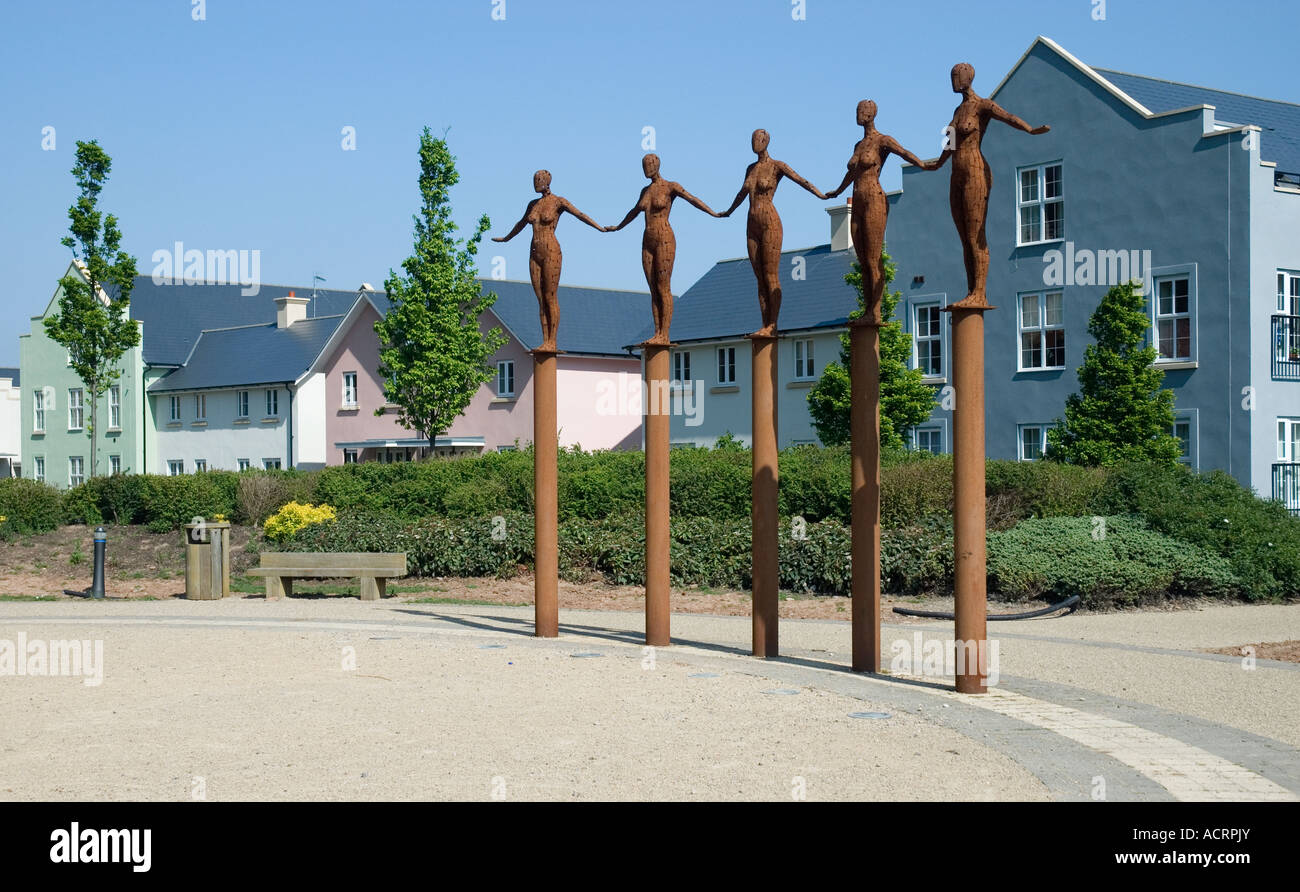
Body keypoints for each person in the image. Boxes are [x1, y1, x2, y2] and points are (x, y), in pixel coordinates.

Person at [925, 63, 1050, 308]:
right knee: (964, 238)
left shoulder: (982, 105)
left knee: (975, 235)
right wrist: (937, 164)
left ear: (969, 77)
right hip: (956, 174)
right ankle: (970, 290)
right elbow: (950, 143)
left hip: (975, 172)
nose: (953, 80)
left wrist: (1030, 130)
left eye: (957, 75)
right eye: (951, 76)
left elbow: (1008, 117)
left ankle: (979, 292)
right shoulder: (958, 110)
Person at [823, 101, 931, 324]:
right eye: (857, 111)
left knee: (873, 259)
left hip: (874, 200)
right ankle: (867, 309)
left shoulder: (883, 140)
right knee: (862, 260)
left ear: (872, 114)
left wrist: (924, 164)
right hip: (859, 202)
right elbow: (852, 174)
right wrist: (837, 191)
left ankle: (876, 310)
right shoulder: (858, 145)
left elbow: (904, 152)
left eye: (863, 111)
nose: (858, 114)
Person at [718, 129, 826, 336]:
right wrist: (728, 212)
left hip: (770, 222)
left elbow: (800, 180)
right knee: (759, 277)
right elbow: (741, 194)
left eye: (758, 139)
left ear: (767, 141)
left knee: (770, 275)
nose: (755, 143)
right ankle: (764, 323)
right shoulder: (750, 168)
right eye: (752, 140)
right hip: (751, 224)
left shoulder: (777, 166)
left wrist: (820, 194)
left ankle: (773, 324)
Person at [606, 153, 720, 345]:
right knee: (653, 288)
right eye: (644, 165)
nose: (646, 168)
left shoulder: (670, 187)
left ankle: (664, 333)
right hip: (647, 240)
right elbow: (634, 211)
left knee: (663, 286)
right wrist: (618, 227)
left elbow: (692, 199)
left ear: (658, 165)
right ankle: (657, 331)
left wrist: (713, 212)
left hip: (664, 238)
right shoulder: (645, 191)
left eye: (650, 164)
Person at [493, 170, 604, 352]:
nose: (536, 182)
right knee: (540, 298)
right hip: (534, 252)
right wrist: (506, 238)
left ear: (548, 181)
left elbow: (580, 214)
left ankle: (552, 341)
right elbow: (521, 223)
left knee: (550, 296)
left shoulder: (558, 201)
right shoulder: (532, 204)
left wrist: (599, 227)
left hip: (551, 250)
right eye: (534, 180)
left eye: (539, 180)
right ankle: (545, 340)